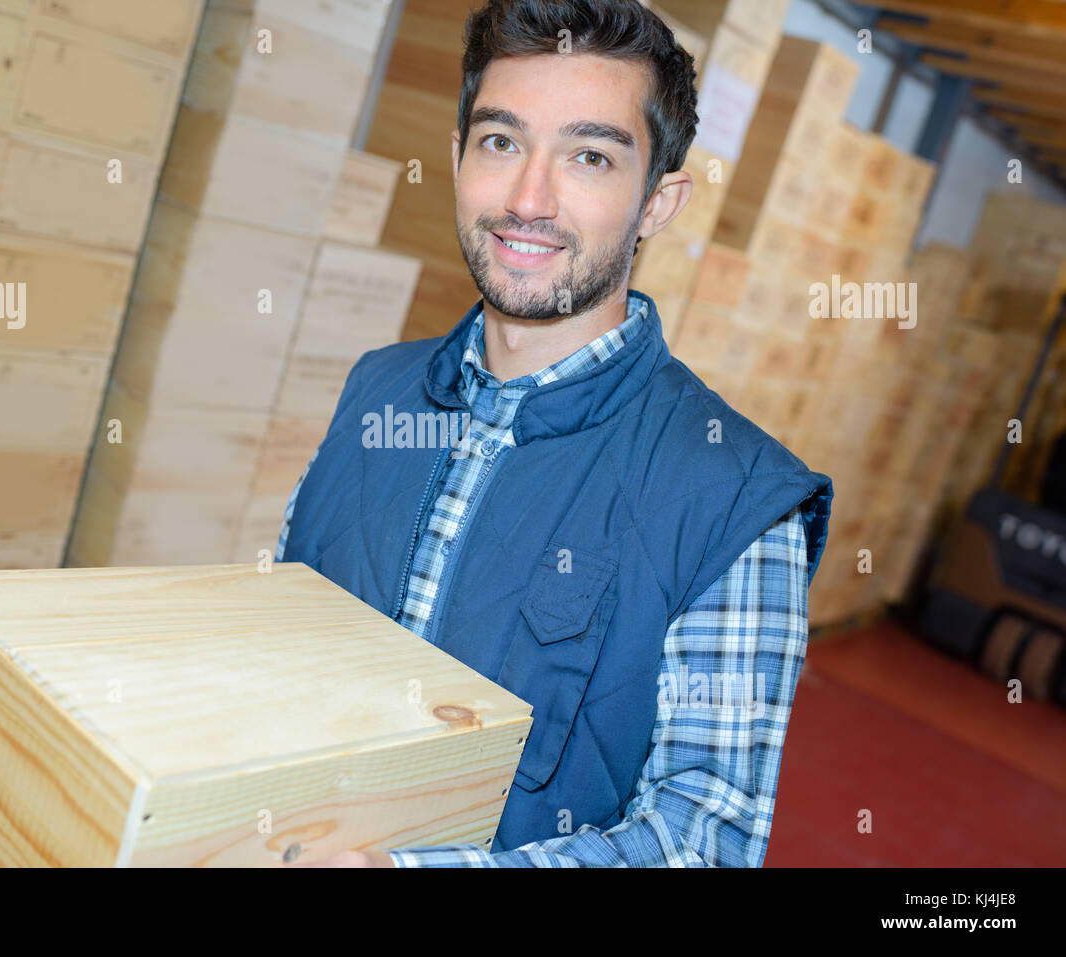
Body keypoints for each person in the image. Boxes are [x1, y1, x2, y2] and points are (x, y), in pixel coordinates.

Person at [279, 0, 833, 867]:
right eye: (501, 142)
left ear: (658, 202)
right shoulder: (376, 391)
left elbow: (701, 841)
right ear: (458, 157)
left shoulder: (735, 499)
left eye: (588, 157)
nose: (528, 199)